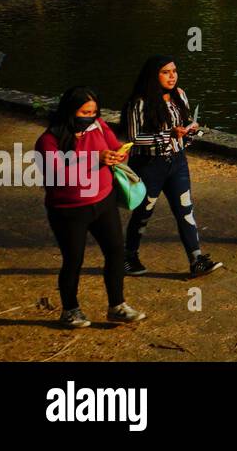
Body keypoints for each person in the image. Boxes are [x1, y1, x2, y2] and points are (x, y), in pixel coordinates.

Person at [35, 87, 146, 328]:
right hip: (69, 209)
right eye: (85, 111)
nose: (90, 116)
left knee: (116, 251)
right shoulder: (48, 140)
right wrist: (95, 159)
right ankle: (70, 309)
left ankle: (117, 306)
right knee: (73, 259)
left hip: (103, 201)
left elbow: (114, 146)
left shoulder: (98, 126)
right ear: (69, 111)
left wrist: (118, 154)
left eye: (94, 111)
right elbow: (58, 175)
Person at [120, 56, 223, 278]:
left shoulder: (180, 95)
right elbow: (134, 138)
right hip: (148, 165)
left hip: (177, 162)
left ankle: (196, 259)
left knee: (185, 210)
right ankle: (129, 256)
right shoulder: (138, 102)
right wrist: (168, 135)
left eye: (174, 71)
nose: (172, 76)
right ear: (152, 75)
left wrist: (191, 132)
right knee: (143, 212)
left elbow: (183, 129)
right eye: (165, 72)